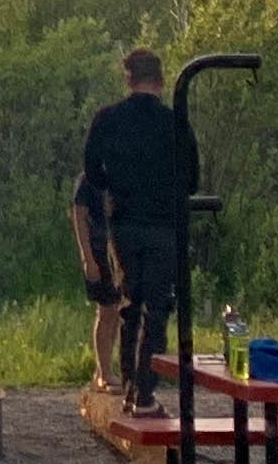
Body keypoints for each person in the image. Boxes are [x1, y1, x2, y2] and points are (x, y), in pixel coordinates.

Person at [75, 48, 197, 410]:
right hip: (162, 226)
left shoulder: (108, 119)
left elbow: (91, 170)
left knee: (130, 304)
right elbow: (192, 178)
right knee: (156, 309)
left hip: (124, 225)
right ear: (160, 80)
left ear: (129, 80)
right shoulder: (174, 122)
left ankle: (129, 385)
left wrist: (114, 188)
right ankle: (144, 392)